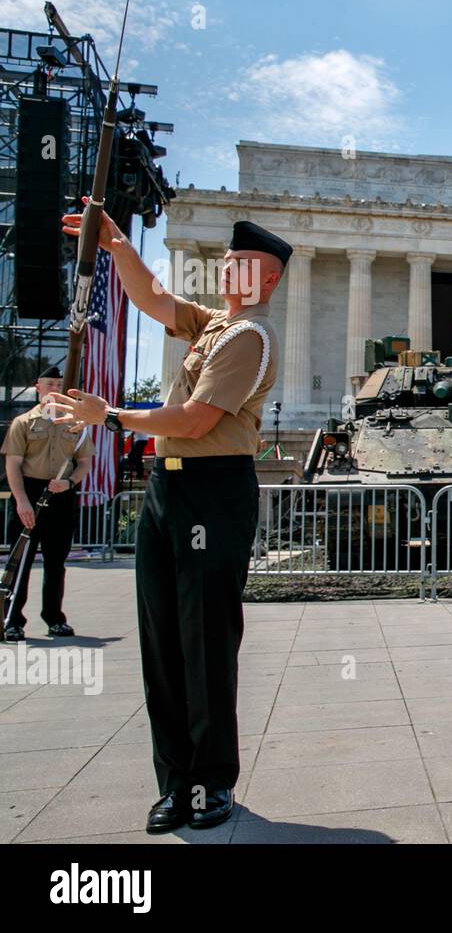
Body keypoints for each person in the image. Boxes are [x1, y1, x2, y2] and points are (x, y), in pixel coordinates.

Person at [55, 208, 286, 832]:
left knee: (205, 639)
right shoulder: (215, 326)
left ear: (266, 281)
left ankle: (213, 781)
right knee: (161, 639)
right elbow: (154, 298)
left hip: (212, 492)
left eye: (241, 264)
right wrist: (118, 245)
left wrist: (111, 417)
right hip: (169, 487)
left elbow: (193, 421)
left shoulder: (248, 337)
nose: (227, 268)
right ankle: (175, 781)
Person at [2, 366, 93, 641]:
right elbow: (13, 465)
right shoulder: (23, 422)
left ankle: (54, 618)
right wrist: (21, 502)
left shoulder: (75, 424)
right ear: (38, 387)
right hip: (30, 492)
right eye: (48, 384)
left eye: (58, 384)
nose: (54, 388)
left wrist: (70, 483)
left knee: (56, 563)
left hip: (61, 494)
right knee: (20, 563)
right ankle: (12, 620)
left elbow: (85, 463)